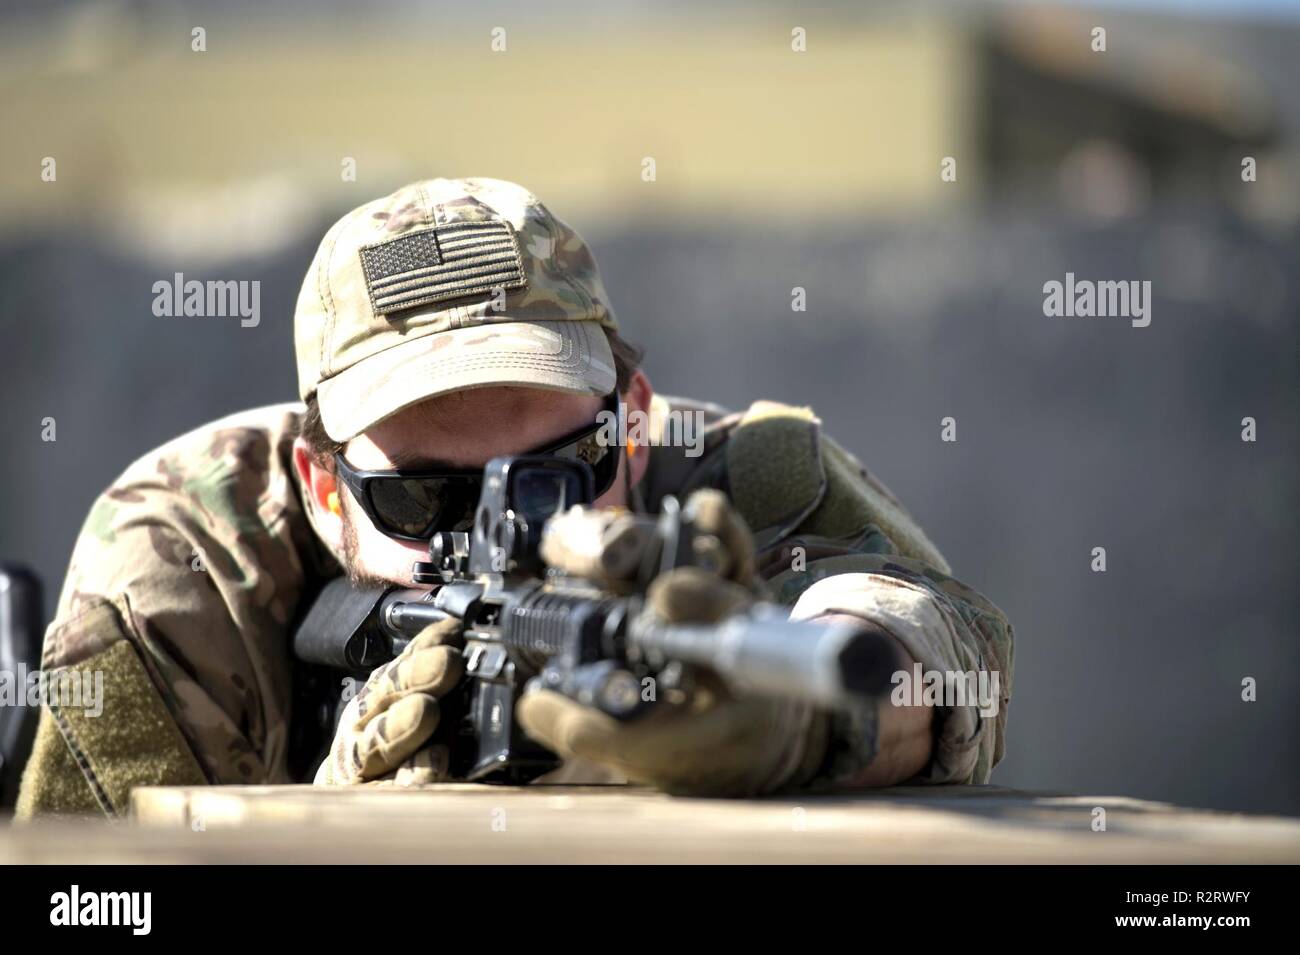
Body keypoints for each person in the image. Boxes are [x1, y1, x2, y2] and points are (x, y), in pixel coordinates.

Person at [16, 178, 1014, 817]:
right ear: (323, 484)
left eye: (559, 469)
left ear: (633, 419)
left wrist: (795, 725)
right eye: (417, 500)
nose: (512, 530)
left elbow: (926, 642)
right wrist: (323, 824)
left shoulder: (733, 477)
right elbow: (88, 898)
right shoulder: (194, 548)